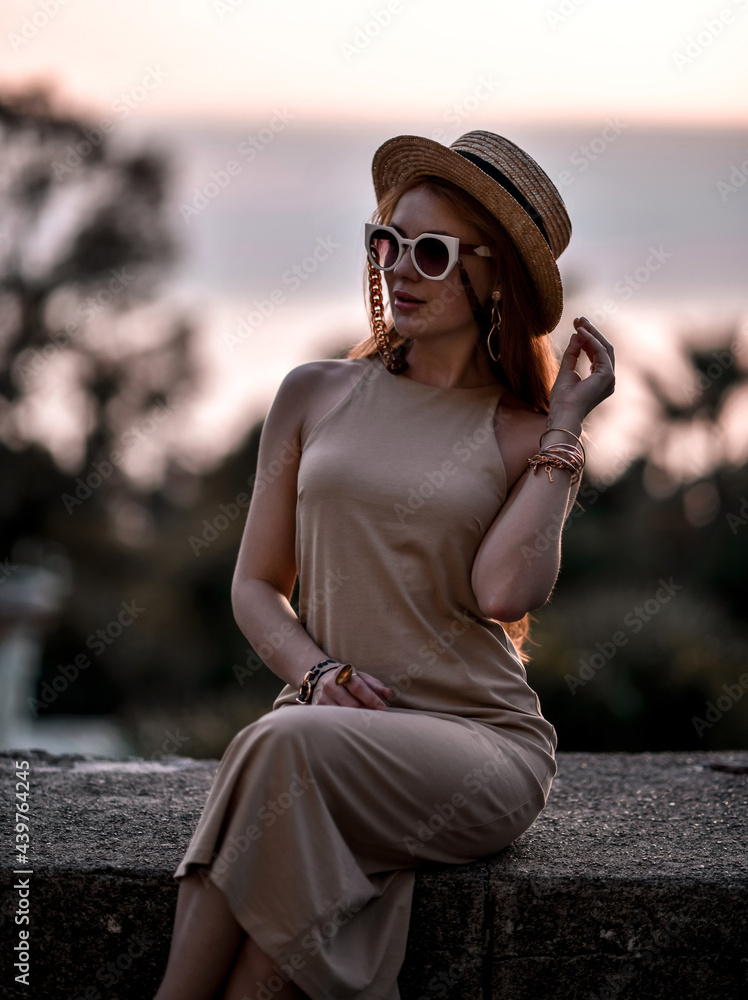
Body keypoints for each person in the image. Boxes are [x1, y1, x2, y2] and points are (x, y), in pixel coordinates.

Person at [153, 130, 615, 1000]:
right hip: (326, 737)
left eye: (431, 252)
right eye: (386, 241)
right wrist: (315, 673)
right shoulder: (312, 394)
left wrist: (565, 432)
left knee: (277, 745)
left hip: (478, 746)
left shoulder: (521, 434)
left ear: (492, 278)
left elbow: (503, 591)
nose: (399, 268)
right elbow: (256, 587)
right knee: (270, 933)